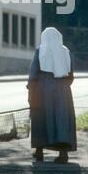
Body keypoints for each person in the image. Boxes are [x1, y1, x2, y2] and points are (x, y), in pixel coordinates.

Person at [27, 27, 77, 163]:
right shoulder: (66, 51)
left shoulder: (40, 51)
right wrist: (63, 86)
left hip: (43, 88)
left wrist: (30, 91)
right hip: (63, 89)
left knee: (41, 118)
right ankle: (63, 154)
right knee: (61, 119)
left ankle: (39, 152)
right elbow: (71, 75)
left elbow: (33, 74)